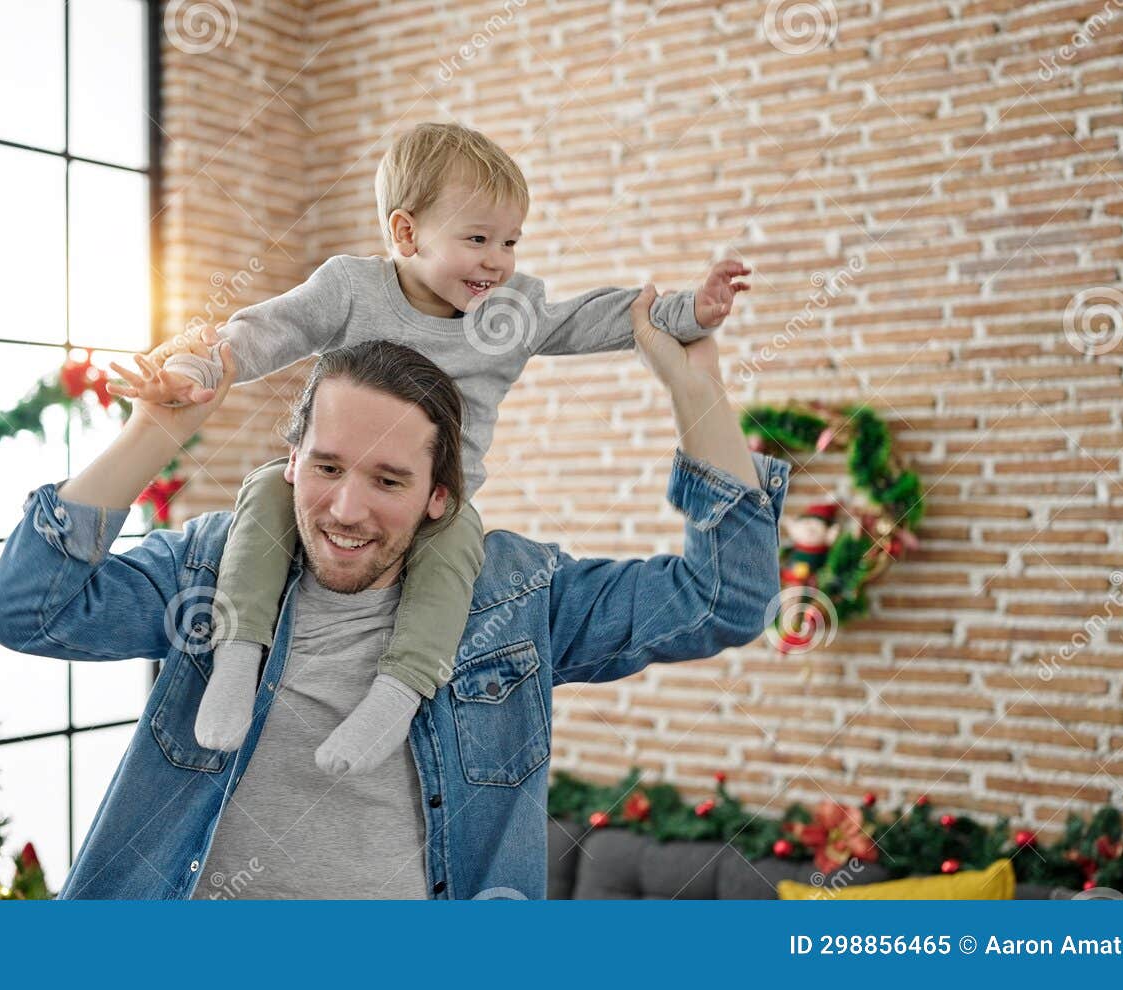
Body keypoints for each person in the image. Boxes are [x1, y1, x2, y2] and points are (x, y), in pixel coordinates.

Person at [0, 288, 789, 899]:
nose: (347, 509)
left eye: (389, 480)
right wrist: (154, 431)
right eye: (326, 467)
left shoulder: (515, 598)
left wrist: (698, 392)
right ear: (292, 459)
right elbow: (24, 608)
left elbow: (722, 599)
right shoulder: (209, 568)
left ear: (441, 494)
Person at [108, 121, 753, 778]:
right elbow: (261, 333)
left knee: (452, 560)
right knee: (262, 498)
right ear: (407, 233)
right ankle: (238, 654)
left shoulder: (510, 310)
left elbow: (592, 321)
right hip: (320, 481)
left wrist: (689, 312)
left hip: (437, 502)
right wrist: (192, 372)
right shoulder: (351, 289)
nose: (497, 260)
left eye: (509, 241)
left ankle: (398, 693)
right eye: (476, 239)